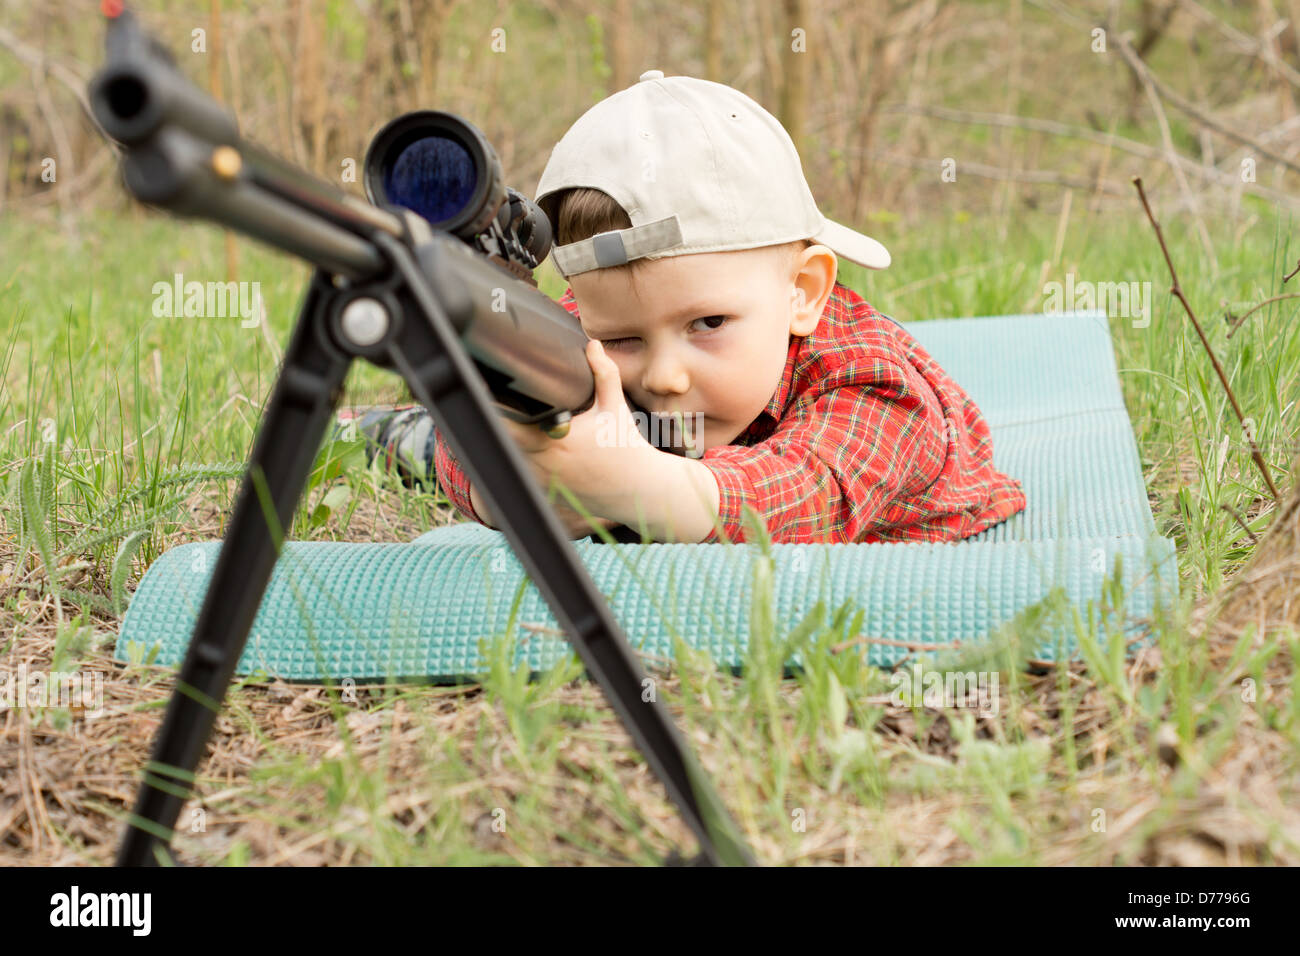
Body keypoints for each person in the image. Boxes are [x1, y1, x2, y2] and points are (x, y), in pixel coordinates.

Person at [343, 70, 1026, 545]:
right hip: (642, 445)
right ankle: (391, 432)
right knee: (456, 431)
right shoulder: (598, 343)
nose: (664, 376)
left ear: (803, 291)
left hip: (805, 483)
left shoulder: (873, 387)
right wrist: (507, 482)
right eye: (623, 338)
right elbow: (502, 425)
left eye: (708, 325)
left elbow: (804, 495)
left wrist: (630, 485)